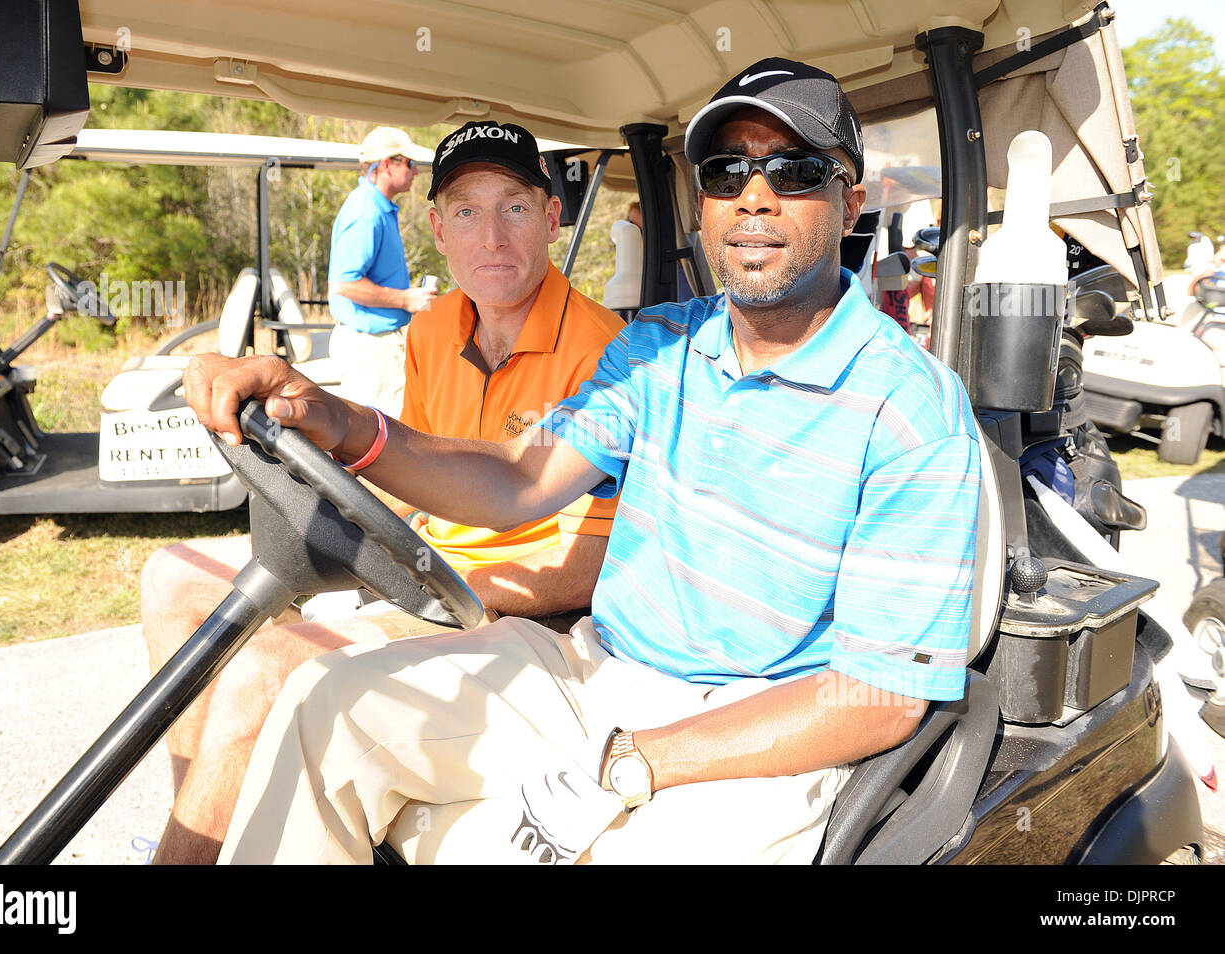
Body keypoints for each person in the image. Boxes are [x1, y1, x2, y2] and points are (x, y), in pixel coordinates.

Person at [192, 57, 981, 865]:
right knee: (322, 701)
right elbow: (519, 477)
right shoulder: (659, 348)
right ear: (703, 201)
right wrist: (333, 418)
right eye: (727, 170)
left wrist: (640, 760)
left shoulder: (910, 411)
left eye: (796, 170)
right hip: (596, 672)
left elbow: (883, 697)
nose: (754, 195)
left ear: (852, 201)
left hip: (754, 734)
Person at [140, 119, 625, 864]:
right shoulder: (434, 329)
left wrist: (434, 583)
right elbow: (415, 479)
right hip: (424, 574)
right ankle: (201, 829)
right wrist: (327, 513)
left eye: (515, 207)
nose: (491, 236)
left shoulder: (609, 354)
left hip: (515, 614)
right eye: (466, 211)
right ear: (436, 227)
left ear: (552, 218)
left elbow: (591, 565)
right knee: (173, 579)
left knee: (264, 673)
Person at [327, 126, 437, 415]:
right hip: (370, 348)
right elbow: (344, 284)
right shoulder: (367, 212)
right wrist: (406, 299)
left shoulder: (376, 207)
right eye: (410, 164)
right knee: (383, 440)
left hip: (374, 343)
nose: (415, 172)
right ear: (387, 165)